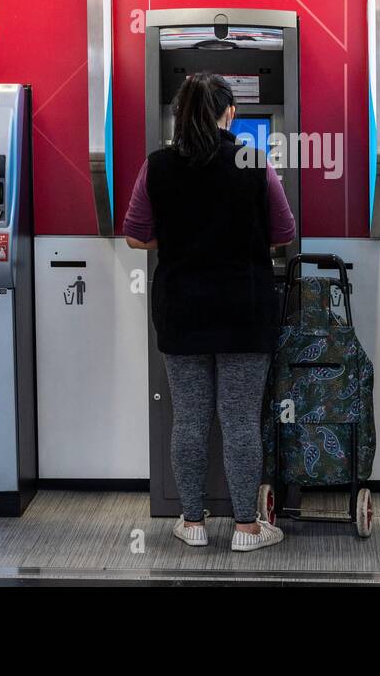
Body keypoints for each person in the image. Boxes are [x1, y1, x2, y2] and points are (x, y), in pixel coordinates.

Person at [124, 72, 295, 551]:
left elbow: (136, 234)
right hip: (244, 307)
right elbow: (283, 232)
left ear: (178, 115)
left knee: (191, 419)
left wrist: (181, 239)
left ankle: (193, 522)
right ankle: (245, 528)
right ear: (230, 113)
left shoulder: (156, 165)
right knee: (240, 420)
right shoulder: (254, 160)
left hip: (183, 309)